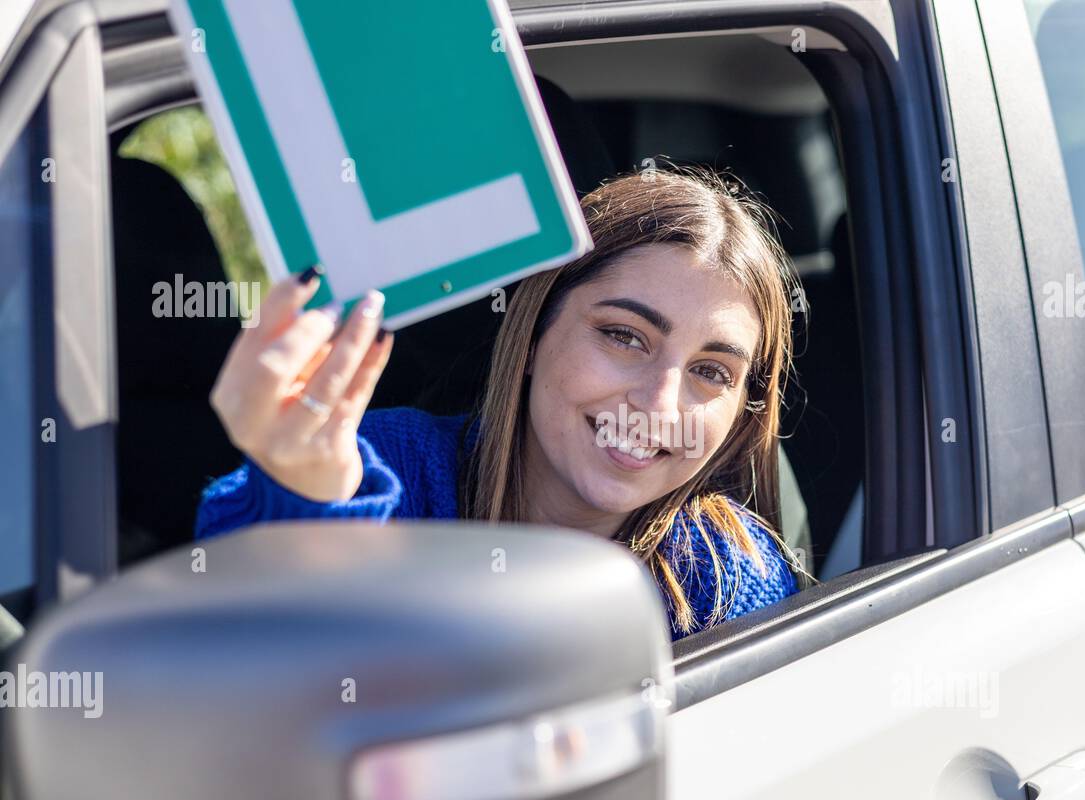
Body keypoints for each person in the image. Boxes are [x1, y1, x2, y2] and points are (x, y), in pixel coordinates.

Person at [195, 165, 807, 640]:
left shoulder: (729, 576)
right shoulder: (383, 469)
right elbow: (236, 654)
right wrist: (300, 499)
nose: (659, 402)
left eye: (711, 371)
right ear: (534, 330)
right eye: (624, 336)